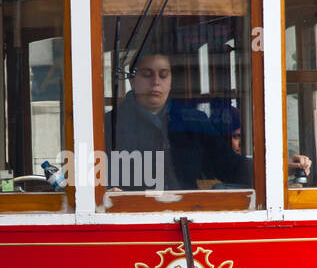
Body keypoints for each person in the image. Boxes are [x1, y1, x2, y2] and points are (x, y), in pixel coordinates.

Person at [108, 53, 254, 191]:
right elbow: (93, 176)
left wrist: (265, 172)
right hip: (131, 213)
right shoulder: (108, 125)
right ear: (132, 80)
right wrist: (108, 191)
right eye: (147, 74)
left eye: (164, 75)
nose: (156, 82)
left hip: (186, 211)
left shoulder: (194, 121)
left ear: (171, 81)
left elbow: (228, 165)